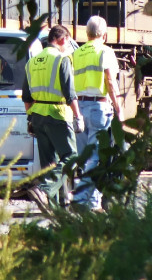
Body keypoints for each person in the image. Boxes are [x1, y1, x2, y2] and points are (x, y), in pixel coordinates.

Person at [23, 24, 83, 207]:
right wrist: (78, 116)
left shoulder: (31, 62)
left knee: (49, 164)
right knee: (71, 157)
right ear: (63, 39)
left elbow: (26, 97)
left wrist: (30, 118)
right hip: (58, 115)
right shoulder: (62, 59)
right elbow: (69, 92)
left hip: (38, 116)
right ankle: (44, 189)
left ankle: (55, 208)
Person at [71, 16, 121, 211]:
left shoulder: (77, 53)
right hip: (99, 109)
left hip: (80, 108)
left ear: (87, 33)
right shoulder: (105, 51)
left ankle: (88, 201)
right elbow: (110, 81)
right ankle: (84, 200)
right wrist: (118, 109)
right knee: (96, 158)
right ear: (105, 34)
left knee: (84, 157)